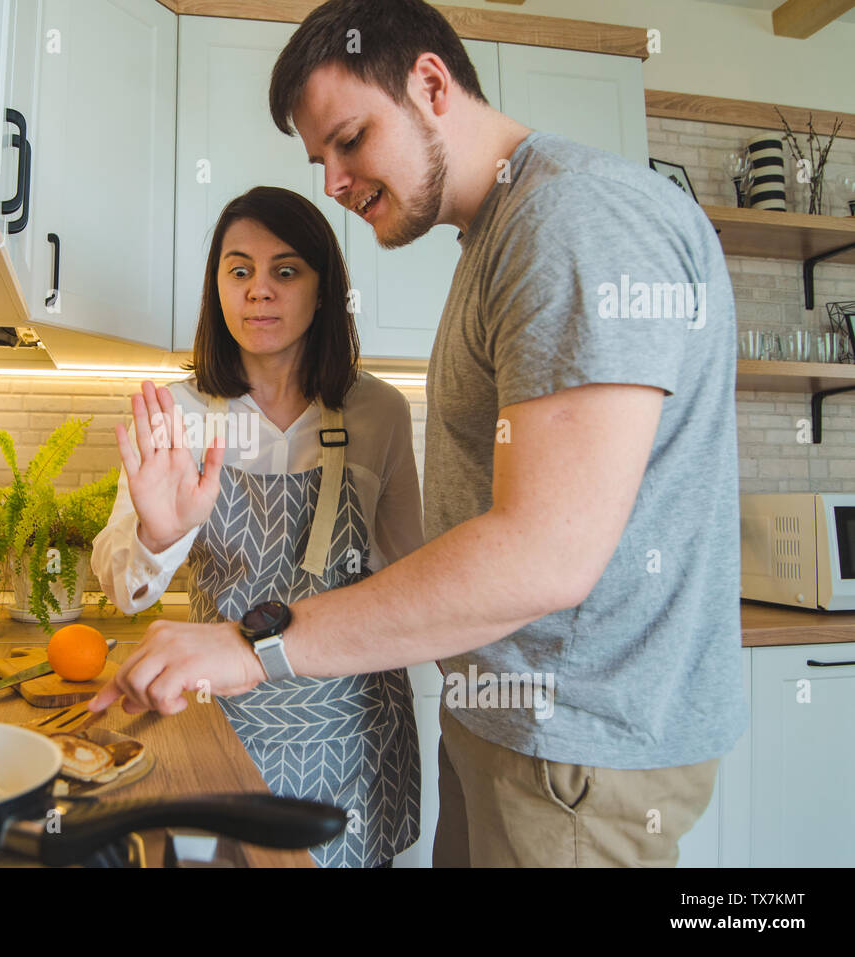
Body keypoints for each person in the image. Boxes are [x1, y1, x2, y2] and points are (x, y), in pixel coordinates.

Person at [90, 0, 747, 868]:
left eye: (350, 139)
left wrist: (254, 644)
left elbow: (545, 552)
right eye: (319, 156)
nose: (333, 180)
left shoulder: (574, 219)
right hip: (509, 732)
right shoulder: (499, 240)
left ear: (431, 83)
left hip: (574, 750)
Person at [90, 185, 423, 868]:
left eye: (286, 270)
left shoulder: (379, 413)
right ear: (217, 287)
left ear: (324, 289)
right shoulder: (179, 415)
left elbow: (410, 579)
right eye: (239, 270)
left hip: (355, 736)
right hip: (225, 726)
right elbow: (126, 592)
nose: (259, 291)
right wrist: (156, 535)